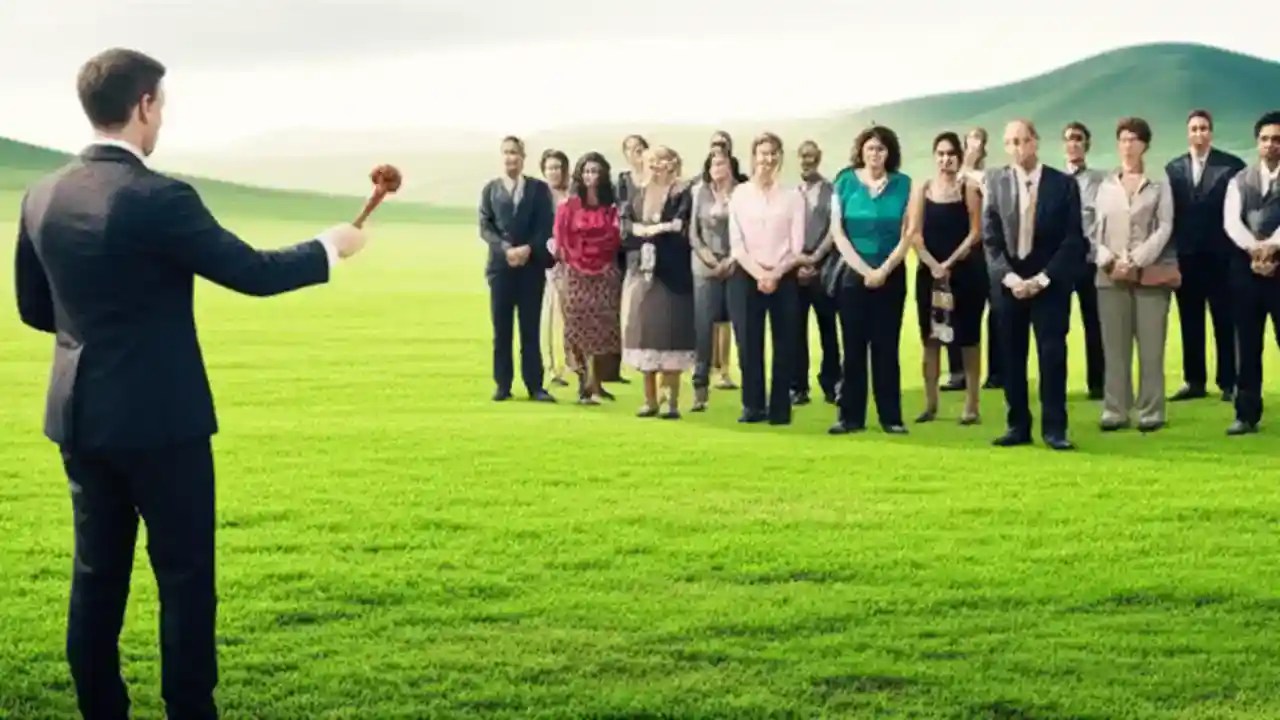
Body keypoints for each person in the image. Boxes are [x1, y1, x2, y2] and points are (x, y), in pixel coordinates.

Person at [12, 47, 367, 720]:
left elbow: (34, 309)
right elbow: (255, 272)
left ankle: (100, 710)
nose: (162, 118)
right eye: (162, 105)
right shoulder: (159, 197)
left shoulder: (43, 193)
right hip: (163, 423)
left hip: (80, 416)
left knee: (95, 577)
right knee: (184, 581)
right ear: (144, 105)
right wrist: (330, 247)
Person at [982, 119, 1085, 450]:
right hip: (1009, 284)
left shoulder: (1063, 184)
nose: (1017, 148)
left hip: (1049, 283)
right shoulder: (995, 182)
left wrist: (1042, 279)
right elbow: (990, 239)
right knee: (1011, 356)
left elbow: (1072, 240)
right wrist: (1011, 279)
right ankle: (1017, 426)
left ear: (1036, 142)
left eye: (1023, 141)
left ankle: (1055, 429)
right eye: (1011, 142)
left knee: (1052, 355)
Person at [1091, 117, 1176, 432]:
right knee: (1115, 349)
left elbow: (1165, 225)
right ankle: (1115, 409)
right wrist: (1109, 260)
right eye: (1123, 139)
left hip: (1149, 275)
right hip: (1109, 276)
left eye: (1134, 140)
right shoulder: (1104, 184)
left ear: (1145, 145)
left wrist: (1136, 259)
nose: (1128, 145)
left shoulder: (1159, 183)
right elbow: (1092, 230)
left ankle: (1152, 410)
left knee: (1151, 348)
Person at [827, 125, 913, 435]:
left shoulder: (904, 184)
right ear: (861, 151)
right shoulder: (845, 182)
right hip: (853, 274)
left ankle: (891, 417)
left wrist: (884, 270)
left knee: (886, 347)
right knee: (852, 347)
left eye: (881, 149)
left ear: (889, 153)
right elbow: (837, 231)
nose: (875, 154)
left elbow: (909, 232)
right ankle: (850, 417)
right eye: (870, 148)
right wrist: (865, 271)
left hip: (891, 273)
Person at [1166, 109, 1247, 403]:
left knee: (1225, 321)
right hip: (1186, 259)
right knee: (1190, 320)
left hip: (1221, 259)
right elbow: (1169, 216)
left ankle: (1229, 381)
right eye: (1194, 129)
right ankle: (1194, 380)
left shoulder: (1231, 166)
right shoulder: (1173, 169)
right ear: (1188, 133)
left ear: (1211, 132)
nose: (1199, 134)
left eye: (1203, 128)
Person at [727, 132, 806, 425]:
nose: (768, 159)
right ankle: (753, 405)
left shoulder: (792, 197)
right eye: (763, 153)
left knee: (785, 342)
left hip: (783, 275)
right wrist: (760, 273)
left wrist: (775, 273)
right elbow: (737, 245)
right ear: (754, 157)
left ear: (780, 158)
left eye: (773, 153)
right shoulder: (740, 194)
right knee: (748, 343)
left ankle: (780, 408)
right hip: (746, 275)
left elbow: (796, 246)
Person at [907, 131, 984, 425]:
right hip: (930, 274)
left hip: (965, 273)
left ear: (959, 157)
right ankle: (930, 403)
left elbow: (975, 232)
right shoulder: (923, 189)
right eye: (940, 153)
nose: (945, 159)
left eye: (951, 154)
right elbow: (914, 233)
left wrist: (949, 263)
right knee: (931, 338)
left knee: (968, 338)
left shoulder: (969, 188)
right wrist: (933, 265)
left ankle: (972, 403)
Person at [619, 145, 696, 418]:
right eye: (652, 161)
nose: (657, 166)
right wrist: (644, 230)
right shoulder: (638, 193)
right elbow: (625, 224)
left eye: (663, 160)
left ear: (673, 163)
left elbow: (681, 226)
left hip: (674, 275)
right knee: (646, 335)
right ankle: (650, 399)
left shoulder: (682, 193)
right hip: (643, 274)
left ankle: (672, 401)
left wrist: (655, 229)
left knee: (672, 336)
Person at [479, 136, 556, 402]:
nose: (510, 158)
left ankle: (535, 385)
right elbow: (485, 227)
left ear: (523, 157)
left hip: (531, 268)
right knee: (502, 330)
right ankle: (503, 385)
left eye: (515, 153)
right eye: (506, 153)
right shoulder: (491, 190)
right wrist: (505, 249)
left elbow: (546, 225)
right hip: (500, 269)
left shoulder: (538, 190)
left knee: (530, 329)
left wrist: (528, 249)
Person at [1222, 110, 1280, 435]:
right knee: (1246, 344)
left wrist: (1273, 245)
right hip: (1246, 272)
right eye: (1265, 139)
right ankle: (1245, 414)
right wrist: (1254, 249)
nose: (1271, 145)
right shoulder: (1239, 180)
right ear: (1257, 143)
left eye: (1277, 140)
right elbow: (1231, 222)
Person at [553, 152, 623, 404]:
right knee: (577, 330)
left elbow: (614, 238)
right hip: (574, 273)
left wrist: (602, 260)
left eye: (595, 171)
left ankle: (596, 382)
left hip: (604, 274)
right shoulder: (567, 207)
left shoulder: (610, 208)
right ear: (579, 175)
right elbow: (562, 240)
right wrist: (574, 262)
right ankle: (583, 383)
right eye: (586, 171)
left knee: (601, 330)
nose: (591, 176)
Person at [688, 147, 739, 411]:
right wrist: (709, 258)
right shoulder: (700, 192)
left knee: (742, 328)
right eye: (713, 163)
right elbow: (693, 233)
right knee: (703, 329)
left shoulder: (743, 192)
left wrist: (731, 260)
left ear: (731, 166)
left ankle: (750, 394)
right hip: (705, 267)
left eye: (722, 162)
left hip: (737, 266)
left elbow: (749, 230)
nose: (718, 167)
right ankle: (700, 390)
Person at [793, 140, 841, 406]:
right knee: (795, 331)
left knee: (828, 330)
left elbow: (834, 229)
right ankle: (798, 386)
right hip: (795, 271)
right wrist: (799, 260)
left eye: (811, 156)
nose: (807, 161)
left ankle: (832, 383)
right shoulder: (792, 193)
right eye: (803, 156)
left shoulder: (831, 191)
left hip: (823, 271)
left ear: (819, 157)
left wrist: (815, 258)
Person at [1062, 121, 1107, 400]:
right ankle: (1058, 383)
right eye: (1069, 139)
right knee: (1057, 325)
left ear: (1086, 144)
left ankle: (1098, 384)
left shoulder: (1100, 181)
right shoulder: (1054, 180)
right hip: (1063, 263)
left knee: (1096, 324)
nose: (1074, 143)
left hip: (1090, 261)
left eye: (1079, 139)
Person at [539, 149, 573, 388]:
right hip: (548, 261)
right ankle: (552, 368)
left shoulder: (572, 195)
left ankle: (574, 363)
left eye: (557, 167)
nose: (554, 172)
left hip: (573, 261)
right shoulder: (539, 195)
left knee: (572, 314)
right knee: (550, 315)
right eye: (550, 167)